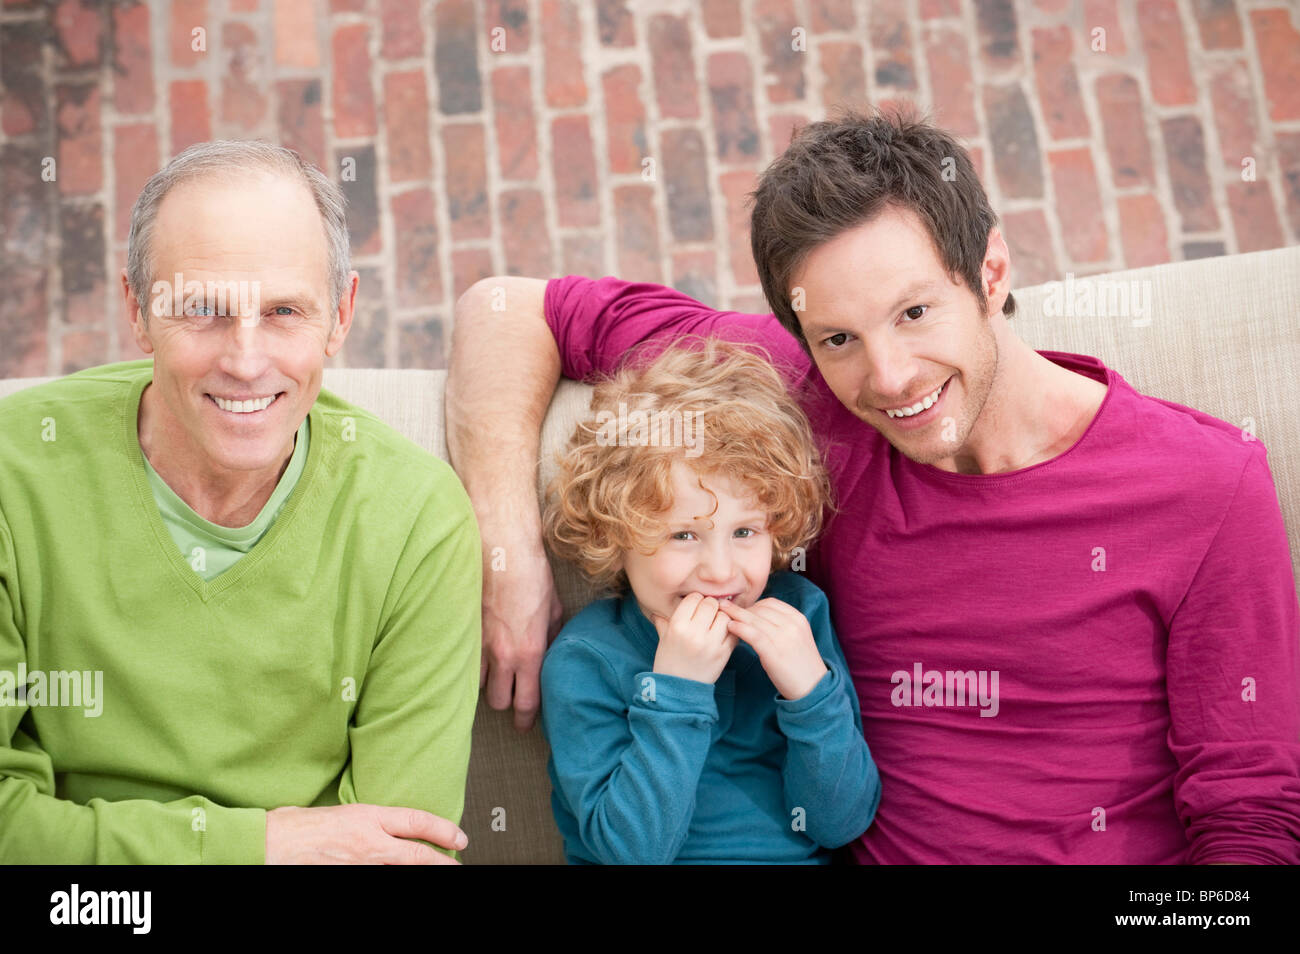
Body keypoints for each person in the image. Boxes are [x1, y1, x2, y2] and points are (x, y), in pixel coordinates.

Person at [447, 107, 1300, 863]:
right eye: (839, 337)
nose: (889, 379)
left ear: (992, 272)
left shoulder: (1205, 487)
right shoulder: (798, 405)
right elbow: (508, 311)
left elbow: (1252, 817)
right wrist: (508, 554)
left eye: (915, 313)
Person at [0, 140, 480, 864]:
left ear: (341, 316)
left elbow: (399, 856)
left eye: (284, 309)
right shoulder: (15, 473)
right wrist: (260, 845)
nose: (247, 361)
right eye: (203, 310)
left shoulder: (417, 523)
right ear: (138, 312)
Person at [538, 339, 880, 863]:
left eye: (744, 531)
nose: (720, 572)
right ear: (616, 536)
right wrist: (678, 692)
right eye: (683, 536)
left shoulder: (799, 613)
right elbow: (632, 852)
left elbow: (840, 824)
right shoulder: (587, 658)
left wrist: (810, 693)